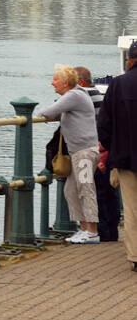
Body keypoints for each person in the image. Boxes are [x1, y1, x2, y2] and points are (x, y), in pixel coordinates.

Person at [39, 64, 101, 244]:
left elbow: (49, 111)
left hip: (84, 152)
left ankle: (92, 231)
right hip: (79, 152)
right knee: (71, 189)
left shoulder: (73, 95)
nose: (52, 83)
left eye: (55, 79)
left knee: (86, 189)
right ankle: (83, 228)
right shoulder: (76, 95)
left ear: (66, 82)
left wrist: (43, 113)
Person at [98, 42, 137, 271]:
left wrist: (113, 149)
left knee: (131, 209)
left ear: (129, 60)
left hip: (126, 158)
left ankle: (135, 255)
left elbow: (104, 125)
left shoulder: (119, 84)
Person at [77, 66, 120, 242]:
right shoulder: (97, 93)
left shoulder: (83, 94)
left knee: (97, 192)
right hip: (107, 149)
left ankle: (100, 230)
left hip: (94, 149)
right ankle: (111, 231)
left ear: (80, 81)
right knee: (109, 192)